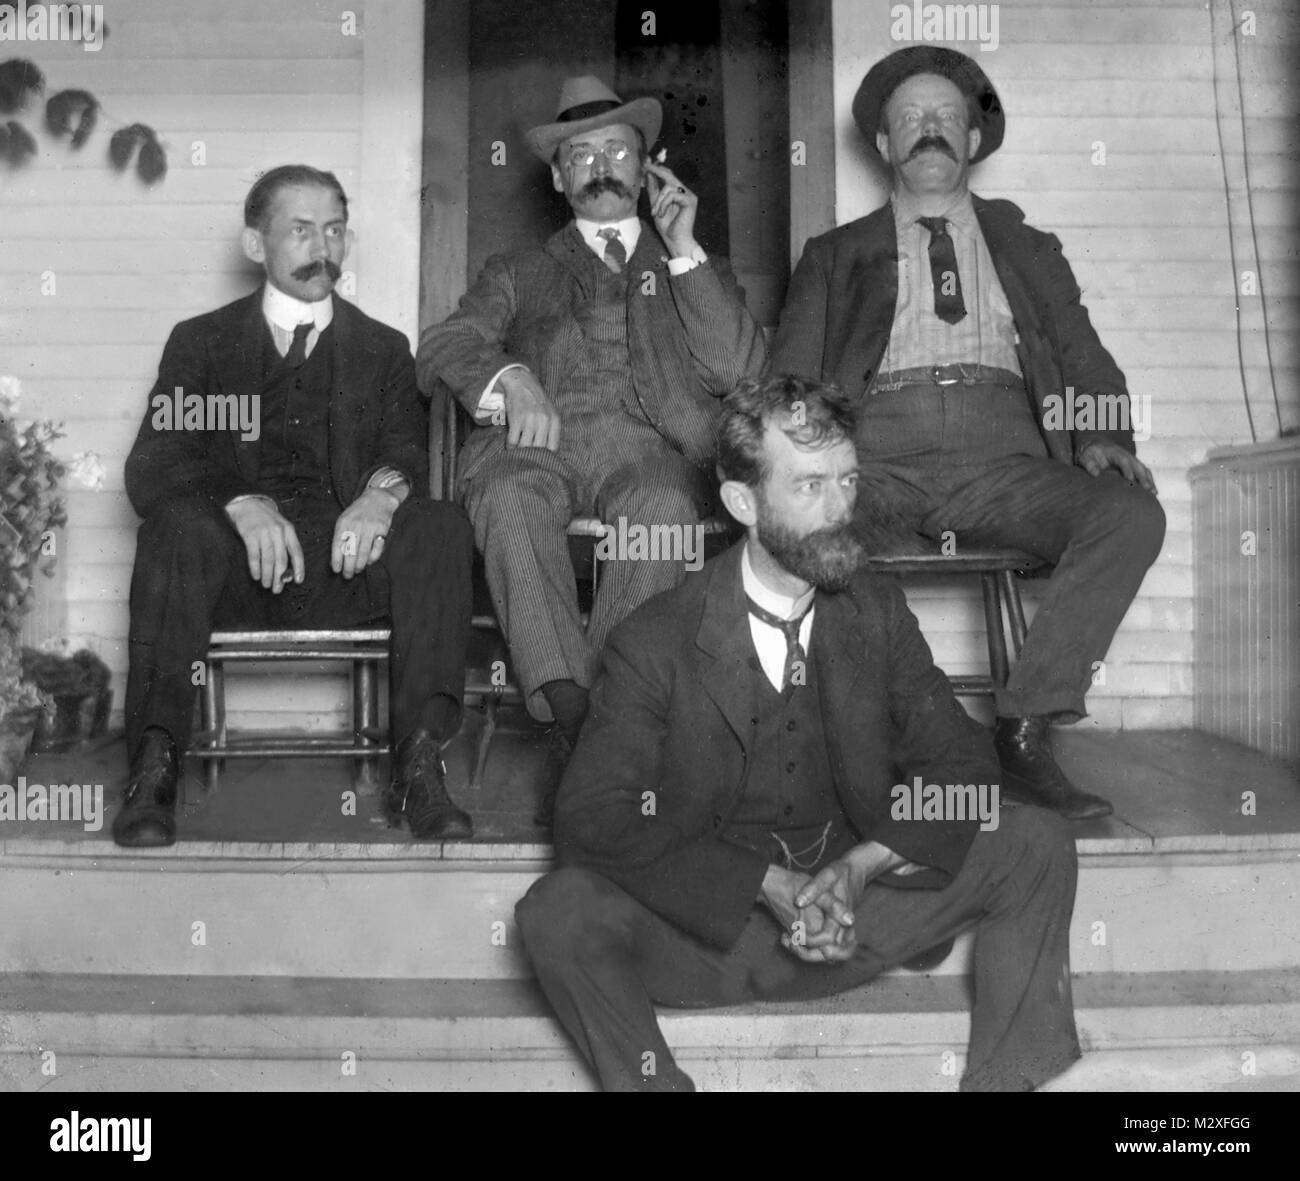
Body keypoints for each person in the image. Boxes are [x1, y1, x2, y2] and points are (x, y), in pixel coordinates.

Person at [515, 374, 1081, 1092]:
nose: (841, 508)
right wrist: (764, 884)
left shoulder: (875, 610)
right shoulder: (654, 640)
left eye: (848, 480)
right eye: (810, 486)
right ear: (742, 502)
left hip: (858, 921)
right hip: (707, 935)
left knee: (1036, 841)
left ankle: (1009, 1084)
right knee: (556, 913)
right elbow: (591, 819)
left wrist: (863, 867)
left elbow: (964, 768)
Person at [769, 47, 1166, 820]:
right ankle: (906, 740)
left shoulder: (1026, 245)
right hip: (875, 455)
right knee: (809, 529)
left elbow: (1083, 352)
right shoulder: (834, 255)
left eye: (947, 117)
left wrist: (1102, 431)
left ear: (974, 141)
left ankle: (1023, 728)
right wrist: (804, 465)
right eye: (909, 120)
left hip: (1004, 460)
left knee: (1130, 514)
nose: (930, 131)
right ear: (883, 146)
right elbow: (793, 380)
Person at [418, 76, 765, 823]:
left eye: (618, 151)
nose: (602, 166)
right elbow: (445, 343)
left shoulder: (691, 264)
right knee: (508, 491)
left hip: (655, 450)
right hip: (538, 446)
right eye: (581, 155)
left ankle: (596, 723)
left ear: (647, 170)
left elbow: (742, 370)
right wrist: (512, 380)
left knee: (665, 503)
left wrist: (683, 250)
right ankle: (576, 718)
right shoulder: (520, 269)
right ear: (557, 176)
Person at [117, 164, 475, 848]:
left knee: (439, 524)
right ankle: (155, 764)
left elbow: (404, 452)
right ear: (257, 244)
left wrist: (381, 494)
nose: (323, 249)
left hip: (349, 570)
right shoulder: (202, 344)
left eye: (335, 230)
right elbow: (152, 464)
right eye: (302, 230)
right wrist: (239, 501)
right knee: (173, 524)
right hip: (231, 574)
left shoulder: (382, 349)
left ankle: (420, 762)